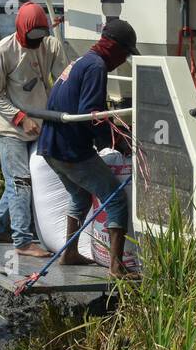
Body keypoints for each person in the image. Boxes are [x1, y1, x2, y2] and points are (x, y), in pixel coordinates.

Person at [36, 18, 137, 276]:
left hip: (49, 146)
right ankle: (117, 267)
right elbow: (91, 113)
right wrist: (117, 141)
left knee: (80, 196)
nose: (124, 60)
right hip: (70, 150)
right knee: (116, 200)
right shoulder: (97, 66)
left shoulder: (80, 61)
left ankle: (69, 254)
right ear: (113, 47)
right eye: (125, 53)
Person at [0, 1, 66, 258]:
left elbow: (63, 79)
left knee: (24, 182)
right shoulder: (3, 51)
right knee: (20, 182)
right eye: (32, 37)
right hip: (11, 128)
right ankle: (22, 241)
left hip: (40, 124)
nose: (36, 42)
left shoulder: (50, 45)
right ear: (20, 31)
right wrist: (20, 118)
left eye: (41, 36)